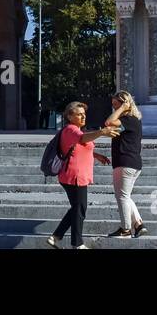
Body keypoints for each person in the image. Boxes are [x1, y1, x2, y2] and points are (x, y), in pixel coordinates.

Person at [46, 102, 117, 249]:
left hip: (76, 175)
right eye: (79, 114)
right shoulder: (71, 130)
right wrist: (102, 132)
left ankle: (56, 237)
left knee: (77, 209)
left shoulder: (75, 130)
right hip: (74, 176)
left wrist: (96, 155)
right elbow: (83, 138)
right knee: (80, 209)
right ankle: (77, 244)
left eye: (84, 114)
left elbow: (80, 147)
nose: (83, 116)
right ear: (69, 116)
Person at [104, 91, 147, 239]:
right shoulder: (132, 119)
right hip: (132, 162)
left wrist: (122, 109)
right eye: (113, 105)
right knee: (125, 196)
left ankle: (125, 229)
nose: (114, 108)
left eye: (116, 104)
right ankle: (139, 225)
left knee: (121, 196)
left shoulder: (128, 118)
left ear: (125, 103)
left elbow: (108, 122)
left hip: (125, 162)